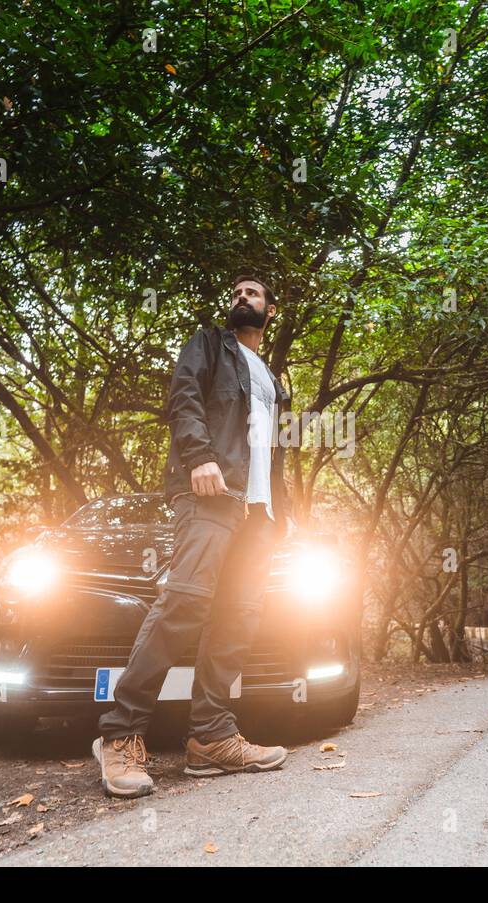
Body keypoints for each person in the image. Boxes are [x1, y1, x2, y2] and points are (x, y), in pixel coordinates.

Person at [92, 274, 296, 798]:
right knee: (184, 603)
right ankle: (120, 734)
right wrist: (200, 456)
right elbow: (184, 400)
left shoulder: (273, 380)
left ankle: (211, 737)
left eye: (253, 293)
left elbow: (272, 453)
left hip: (258, 513)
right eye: (236, 293)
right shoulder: (208, 345)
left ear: (270, 310)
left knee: (238, 617)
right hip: (210, 496)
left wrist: (284, 511)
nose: (242, 298)